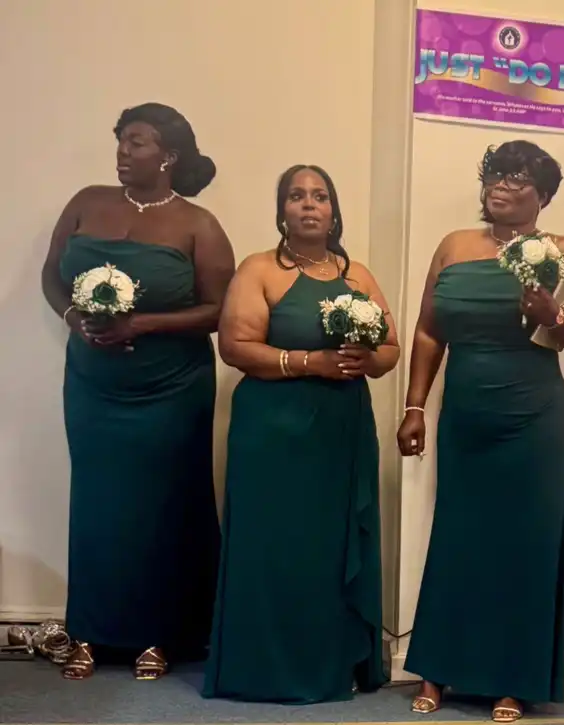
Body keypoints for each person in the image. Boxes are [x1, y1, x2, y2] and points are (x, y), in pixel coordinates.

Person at [397, 140, 564, 722]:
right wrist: (415, 406)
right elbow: (428, 331)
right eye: (496, 174)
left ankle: (512, 680)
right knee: (457, 540)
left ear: (544, 196)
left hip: (534, 420)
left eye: (518, 178)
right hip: (466, 417)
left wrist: (556, 316)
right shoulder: (454, 247)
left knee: (523, 549)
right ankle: (437, 669)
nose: (501, 185)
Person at [41, 102, 235, 680]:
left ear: (168, 156)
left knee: (162, 505)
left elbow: (220, 310)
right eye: (121, 141)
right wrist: (73, 317)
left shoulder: (199, 225)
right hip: (93, 384)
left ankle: (160, 632)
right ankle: (90, 631)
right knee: (96, 503)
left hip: (170, 388)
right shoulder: (86, 201)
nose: (123, 152)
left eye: (136, 142)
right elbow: (51, 274)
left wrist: (141, 324)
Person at [202, 164, 399, 704]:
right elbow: (235, 347)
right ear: (282, 211)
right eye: (297, 196)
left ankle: (333, 662)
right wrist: (310, 362)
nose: (309, 204)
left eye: (320, 196)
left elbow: (390, 348)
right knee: (275, 546)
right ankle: (263, 669)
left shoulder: (357, 275)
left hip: (341, 431)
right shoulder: (259, 269)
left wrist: (367, 359)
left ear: (334, 212)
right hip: (274, 432)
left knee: (329, 549)